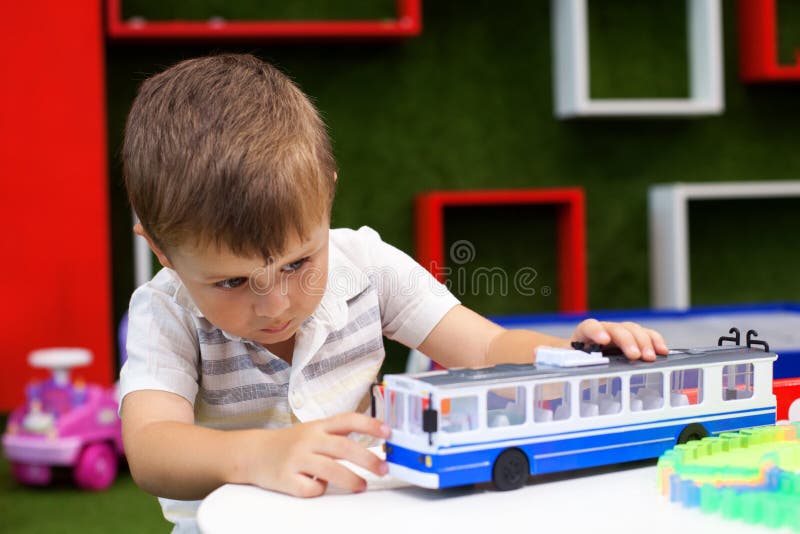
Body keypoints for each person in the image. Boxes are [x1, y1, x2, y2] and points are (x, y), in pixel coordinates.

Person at [119, 53, 668, 528]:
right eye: (233, 282)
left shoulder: (369, 265)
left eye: (298, 262)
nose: (275, 304)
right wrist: (258, 455)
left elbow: (483, 349)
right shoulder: (165, 311)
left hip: (362, 517)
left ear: (327, 198)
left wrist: (571, 361)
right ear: (161, 249)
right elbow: (152, 447)